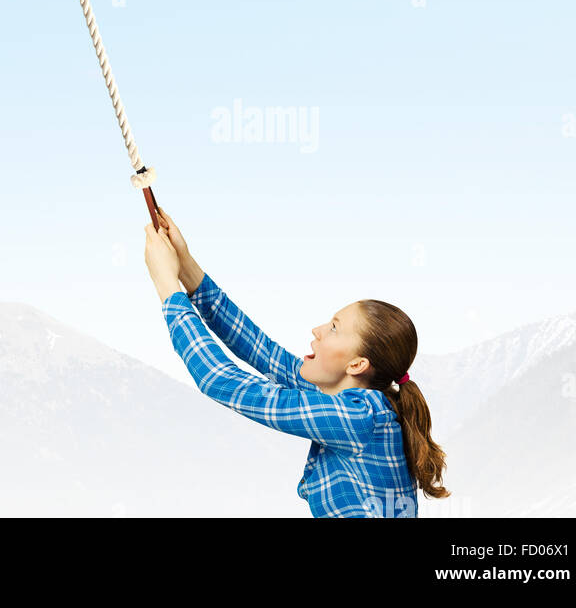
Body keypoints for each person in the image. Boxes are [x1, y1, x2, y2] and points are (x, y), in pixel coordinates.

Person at [144, 210, 449, 518]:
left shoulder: (356, 417)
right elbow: (263, 352)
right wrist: (187, 268)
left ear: (357, 364)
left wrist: (168, 289)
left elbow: (221, 380)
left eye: (333, 328)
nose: (317, 330)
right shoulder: (357, 401)